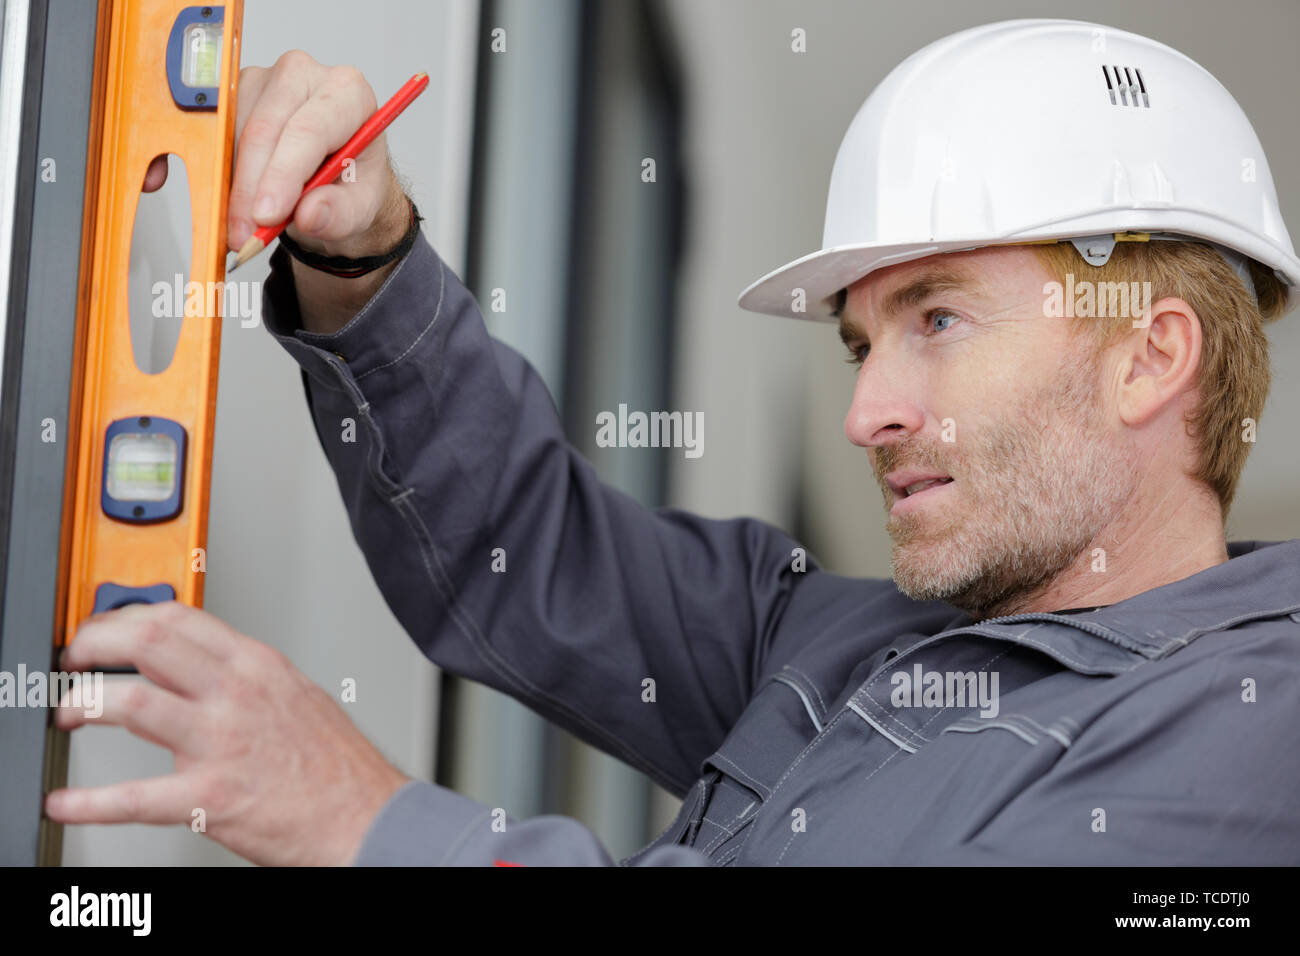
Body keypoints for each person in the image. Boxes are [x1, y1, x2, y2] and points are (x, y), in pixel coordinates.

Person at [46, 18, 1300, 865]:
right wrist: (361, 258)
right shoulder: (827, 637)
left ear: (1149, 354)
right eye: (864, 346)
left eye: (939, 317)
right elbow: (523, 551)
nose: (867, 414)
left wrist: (373, 822)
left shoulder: (1255, 735)